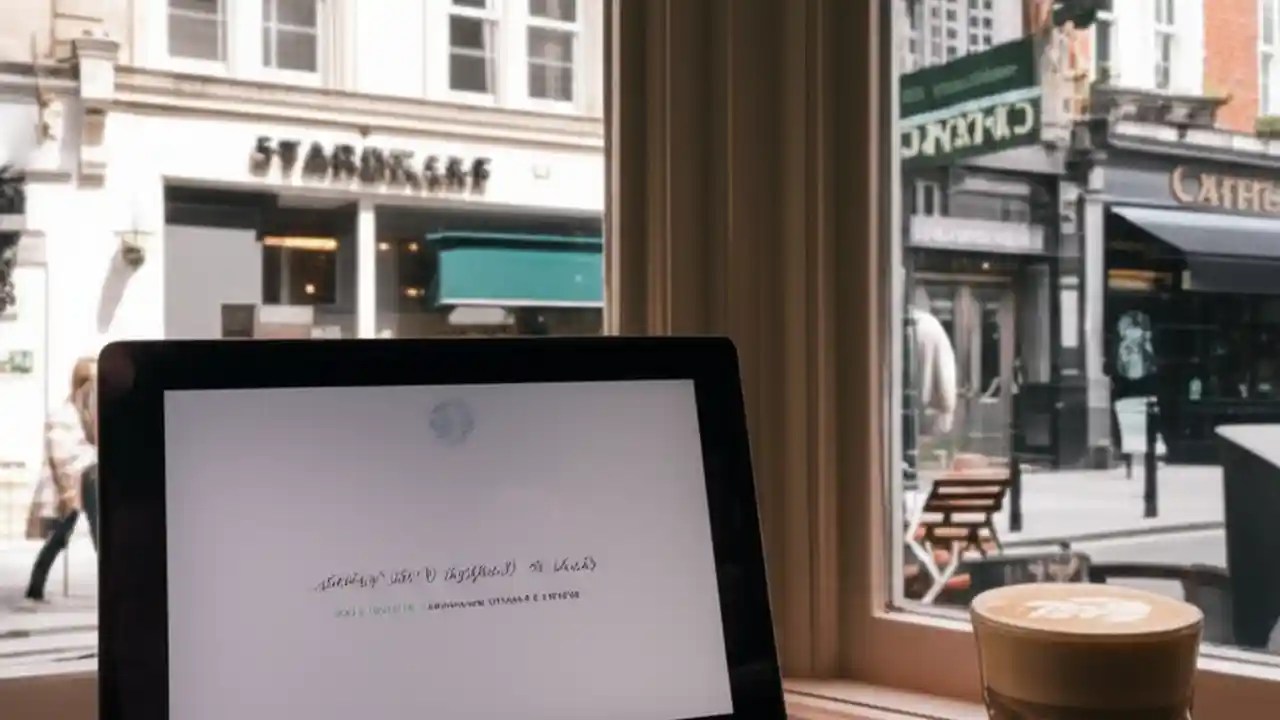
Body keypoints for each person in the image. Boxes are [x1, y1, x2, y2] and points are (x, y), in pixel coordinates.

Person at [24, 357, 98, 603]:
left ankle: (35, 587)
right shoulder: (64, 414)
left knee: (95, 534)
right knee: (60, 537)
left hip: (84, 480)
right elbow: (61, 453)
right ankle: (35, 587)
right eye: (89, 381)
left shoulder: (87, 413)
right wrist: (67, 490)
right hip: (71, 485)